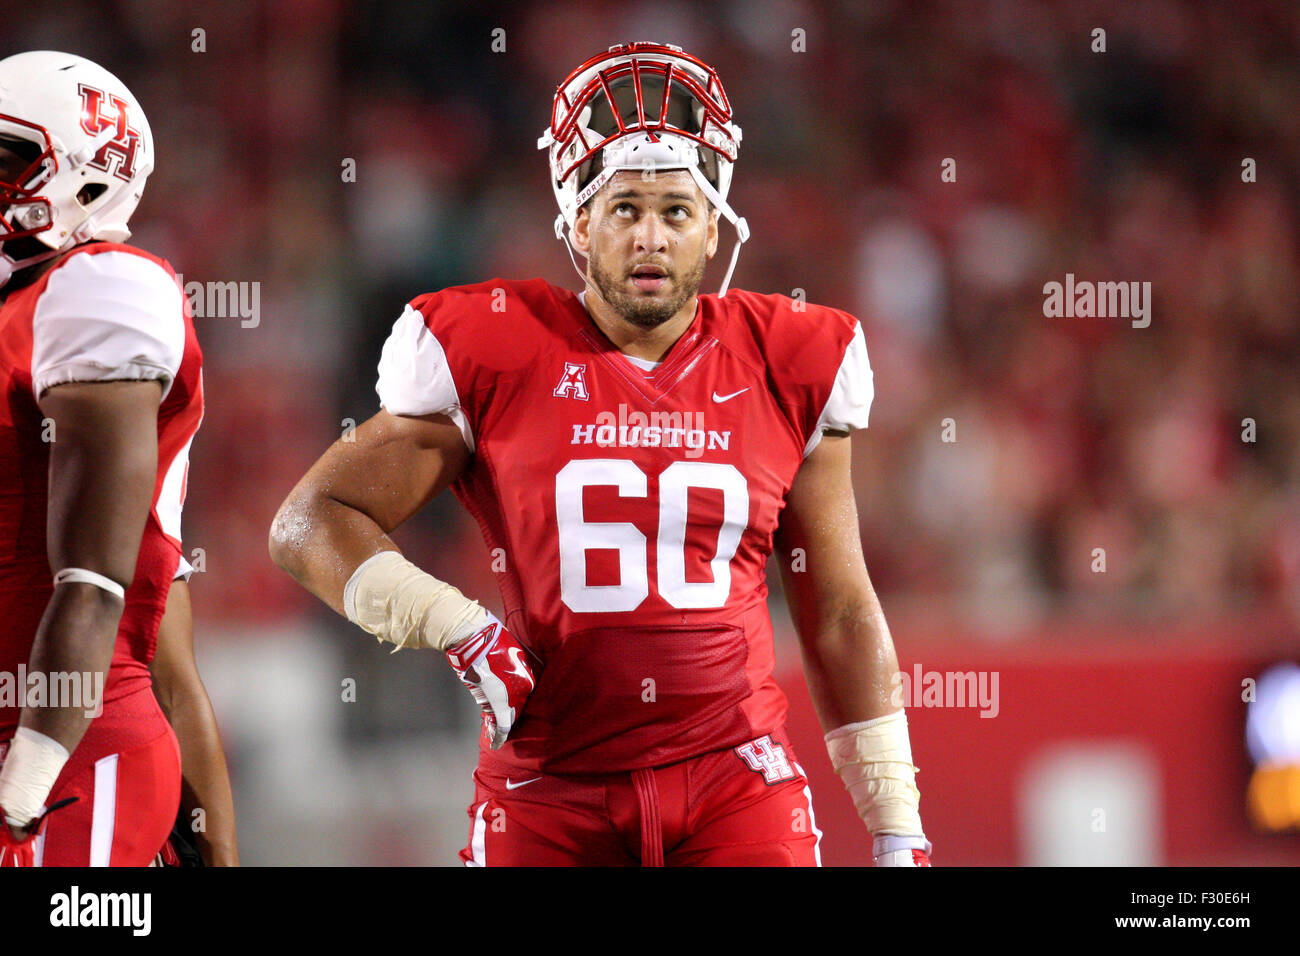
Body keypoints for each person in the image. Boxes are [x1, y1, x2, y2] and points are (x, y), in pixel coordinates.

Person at [270, 41, 932, 867]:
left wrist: (896, 821)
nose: (649, 237)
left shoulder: (787, 359)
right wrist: (458, 628)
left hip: (735, 779)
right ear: (579, 223)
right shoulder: (499, 347)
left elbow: (837, 607)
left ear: (714, 226)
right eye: (625, 208)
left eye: (676, 211)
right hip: (549, 785)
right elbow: (309, 521)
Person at [0, 51, 208, 866]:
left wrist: (27, 783)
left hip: (66, 749)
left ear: (87, 183)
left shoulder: (100, 288)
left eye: (7, 159)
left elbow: (95, 584)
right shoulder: (23, 303)